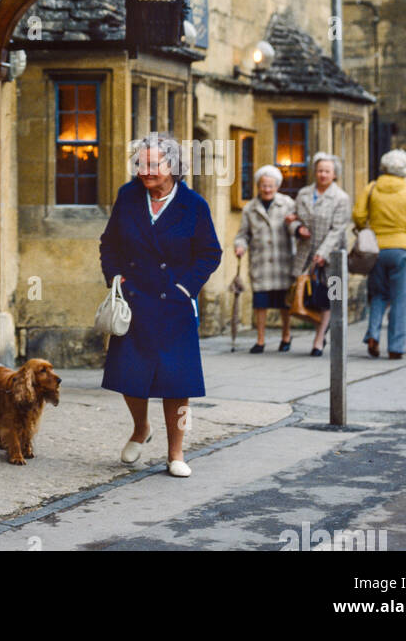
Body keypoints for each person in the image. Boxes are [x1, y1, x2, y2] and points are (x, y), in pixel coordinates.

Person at [99, 133, 222, 478]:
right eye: (140, 163)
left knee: (177, 384)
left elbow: (210, 253)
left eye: (153, 163)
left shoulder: (193, 204)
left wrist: (185, 288)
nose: (145, 170)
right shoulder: (128, 197)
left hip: (174, 305)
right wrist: (116, 276)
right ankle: (141, 429)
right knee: (129, 376)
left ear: (174, 166)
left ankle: (176, 453)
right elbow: (109, 244)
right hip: (136, 299)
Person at [354, 149, 406, 359]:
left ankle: (373, 335)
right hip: (401, 248)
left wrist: (368, 230)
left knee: (378, 295)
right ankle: (395, 347)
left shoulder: (372, 188)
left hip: (376, 248)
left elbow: (358, 215)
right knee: (400, 299)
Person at [290, 153, 351, 356]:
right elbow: (292, 218)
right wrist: (298, 228)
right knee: (309, 294)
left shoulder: (341, 198)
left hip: (333, 255)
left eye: (327, 171)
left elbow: (338, 229)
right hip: (306, 252)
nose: (323, 174)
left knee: (330, 296)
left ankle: (319, 339)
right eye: (320, 171)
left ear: (334, 174)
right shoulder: (304, 194)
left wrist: (323, 253)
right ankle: (320, 331)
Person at [233, 165, 297, 352]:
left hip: (283, 261)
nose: (267, 189)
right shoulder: (250, 209)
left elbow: (297, 227)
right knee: (260, 303)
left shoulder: (287, 204)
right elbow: (242, 234)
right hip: (261, 263)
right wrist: (240, 246)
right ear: (258, 186)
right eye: (263, 185)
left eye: (270, 186)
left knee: (284, 303)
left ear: (277, 186)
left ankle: (286, 336)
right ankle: (260, 340)